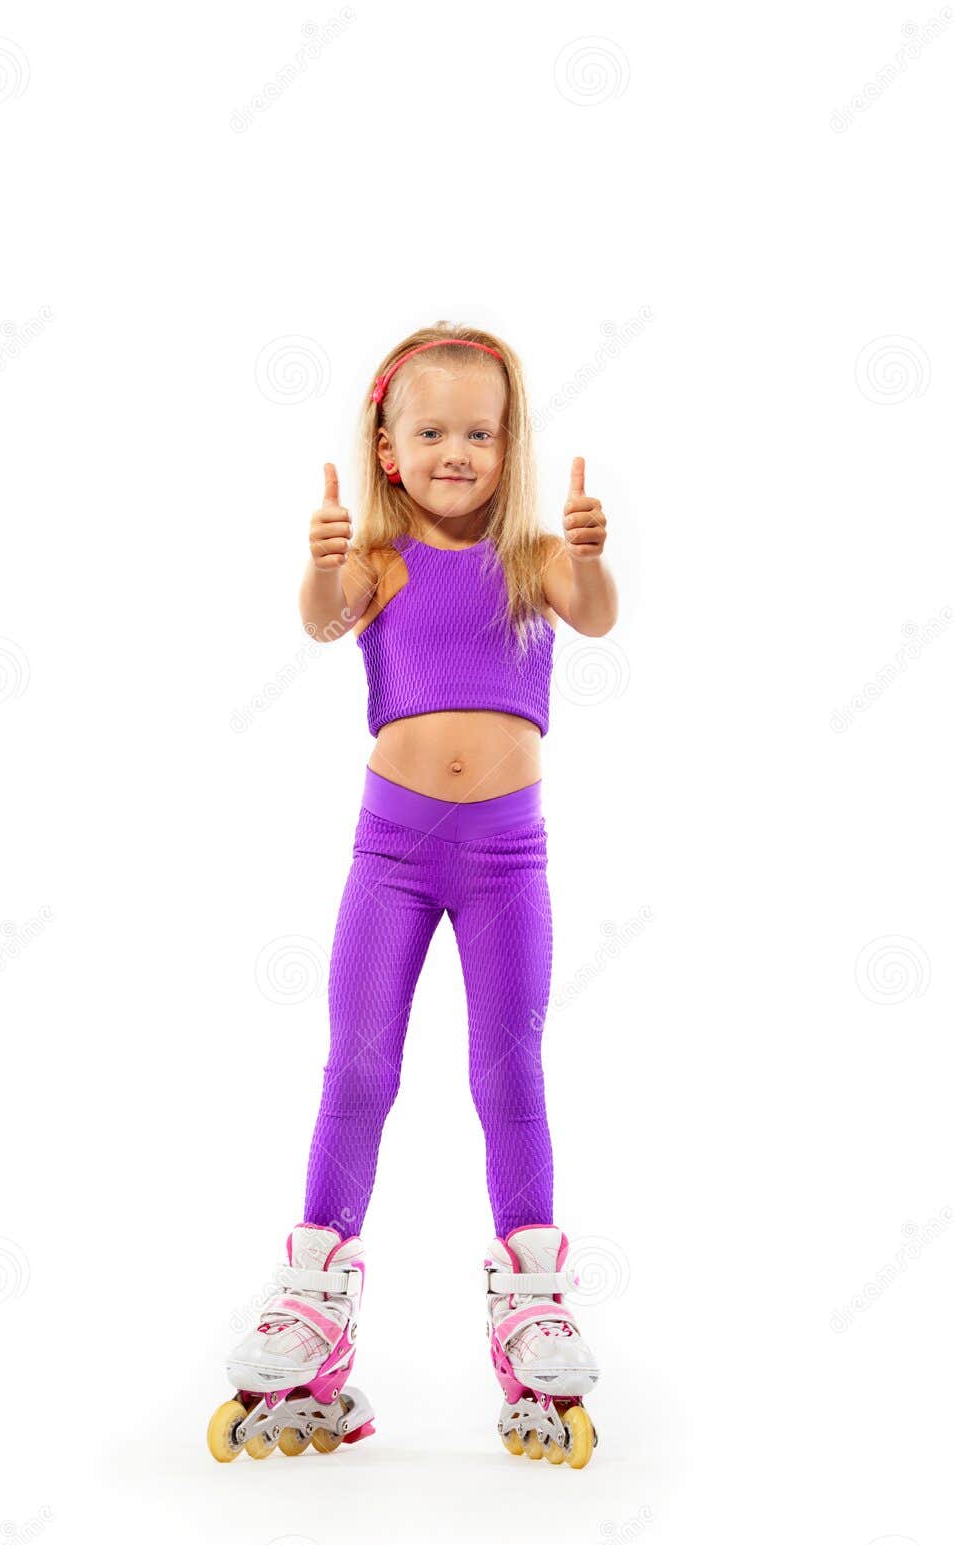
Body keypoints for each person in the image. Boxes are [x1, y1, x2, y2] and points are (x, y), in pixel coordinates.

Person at [208, 323, 618, 1468]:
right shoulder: (377, 562)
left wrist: (587, 554)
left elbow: (591, 612)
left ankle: (531, 1292)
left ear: (508, 443)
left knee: (506, 1066)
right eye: (430, 430)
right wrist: (322, 563)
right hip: (390, 853)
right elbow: (322, 617)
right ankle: (314, 1293)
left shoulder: (534, 555)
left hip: (504, 859)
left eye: (478, 432)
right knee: (358, 1063)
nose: (456, 450)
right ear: (386, 447)